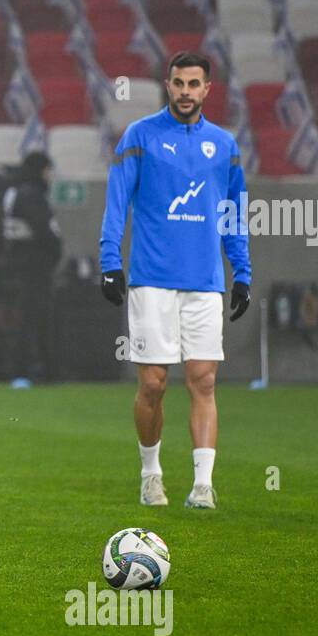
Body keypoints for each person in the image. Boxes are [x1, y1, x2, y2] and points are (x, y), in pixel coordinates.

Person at [98, 51, 252, 510]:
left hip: (205, 282)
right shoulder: (140, 136)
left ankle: (203, 485)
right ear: (168, 85)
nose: (186, 91)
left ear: (208, 89)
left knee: (203, 382)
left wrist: (241, 272)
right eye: (178, 83)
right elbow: (117, 201)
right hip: (151, 281)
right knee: (153, 385)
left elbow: (234, 214)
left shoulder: (225, 146)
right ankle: (151, 475)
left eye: (194, 84)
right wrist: (110, 260)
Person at [0, 151, 63, 382]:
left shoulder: (12, 194)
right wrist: (53, 254)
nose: (51, 176)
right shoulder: (31, 196)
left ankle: (23, 370)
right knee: (37, 320)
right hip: (34, 266)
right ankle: (39, 370)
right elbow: (45, 232)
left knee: (25, 320)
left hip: (16, 264)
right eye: (48, 171)